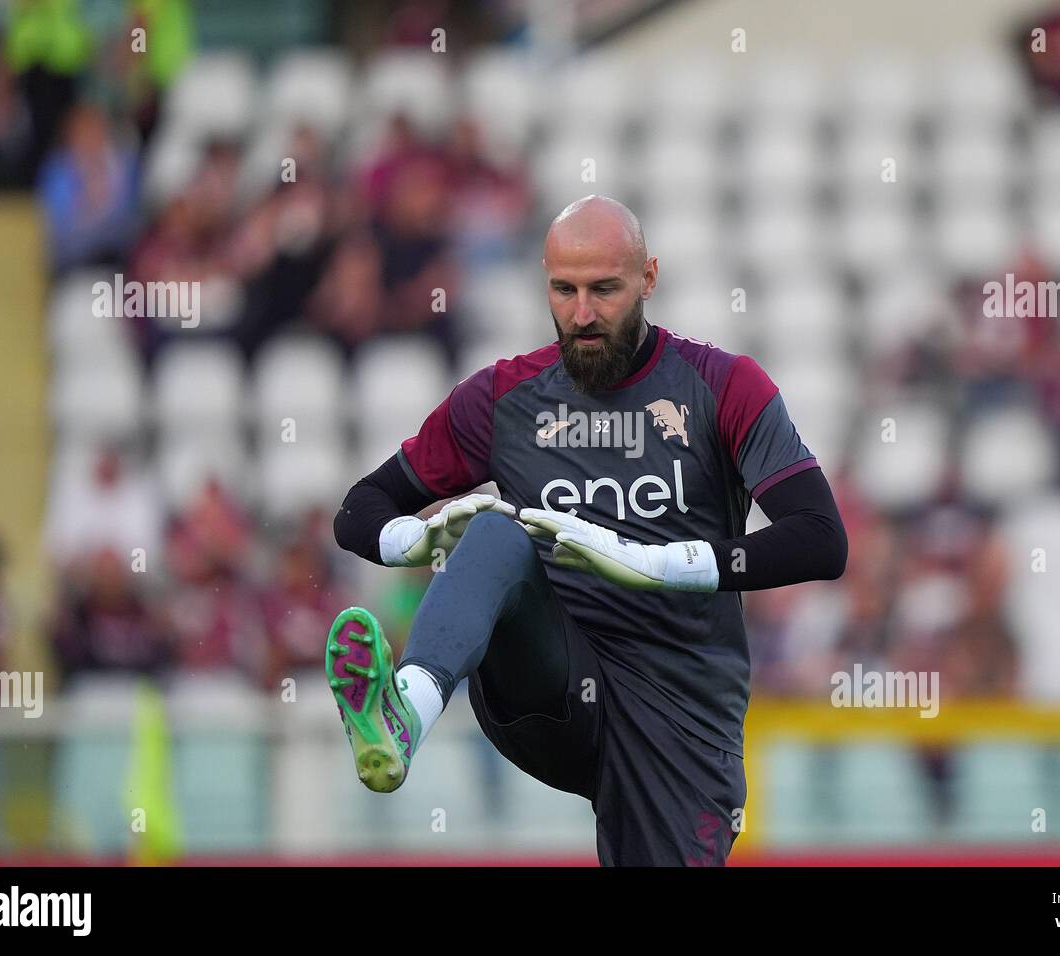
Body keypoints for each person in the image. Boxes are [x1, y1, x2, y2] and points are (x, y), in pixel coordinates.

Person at [330, 195, 848, 866]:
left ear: (648, 279)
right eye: (564, 289)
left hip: (681, 713)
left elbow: (820, 538)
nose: (582, 313)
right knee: (494, 534)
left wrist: (655, 564)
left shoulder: (724, 387)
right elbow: (358, 509)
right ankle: (407, 712)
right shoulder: (502, 399)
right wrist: (414, 541)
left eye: (604, 289)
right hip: (555, 683)